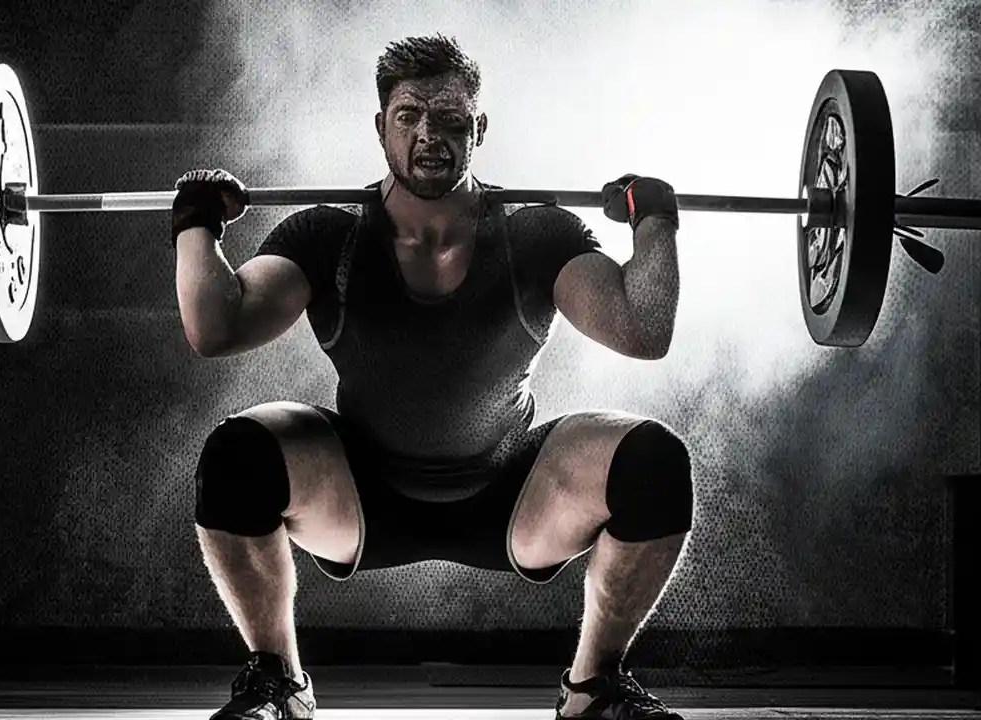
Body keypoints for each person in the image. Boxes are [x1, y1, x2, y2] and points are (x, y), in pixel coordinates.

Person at [173, 33, 692, 720]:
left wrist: (656, 223)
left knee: (656, 463)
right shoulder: (327, 238)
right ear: (380, 126)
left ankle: (592, 688)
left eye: (450, 119)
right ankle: (279, 682)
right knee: (235, 455)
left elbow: (641, 329)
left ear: (479, 129)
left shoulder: (535, 237)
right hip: (359, 492)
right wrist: (195, 228)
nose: (429, 135)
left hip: (510, 490)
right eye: (410, 115)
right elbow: (216, 327)